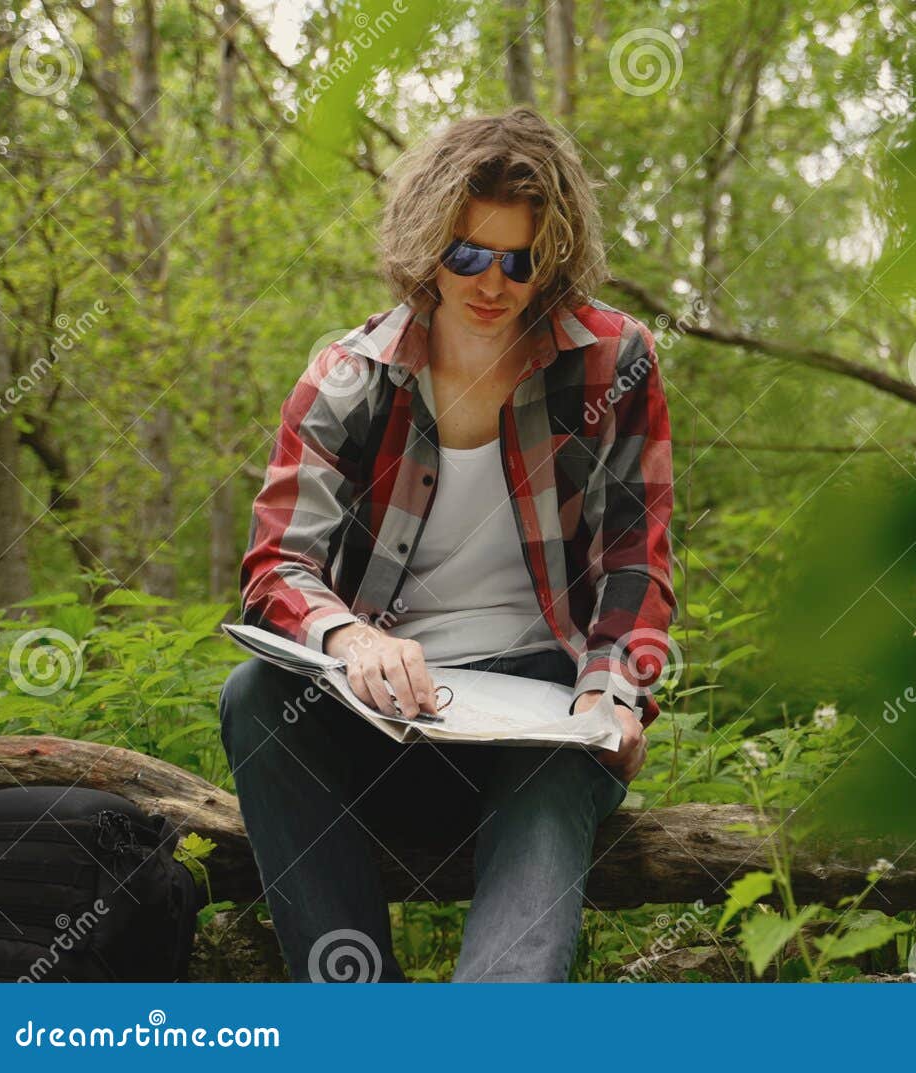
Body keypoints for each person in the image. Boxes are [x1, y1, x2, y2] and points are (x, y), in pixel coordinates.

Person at [217, 105, 676, 982]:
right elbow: (277, 563)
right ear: (428, 244)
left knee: (557, 755)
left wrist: (614, 694)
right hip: (388, 720)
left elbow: (636, 559)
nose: (491, 283)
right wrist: (352, 639)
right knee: (256, 696)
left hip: (547, 718)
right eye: (467, 254)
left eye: (519, 260)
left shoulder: (614, 360)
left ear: (554, 257)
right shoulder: (350, 376)